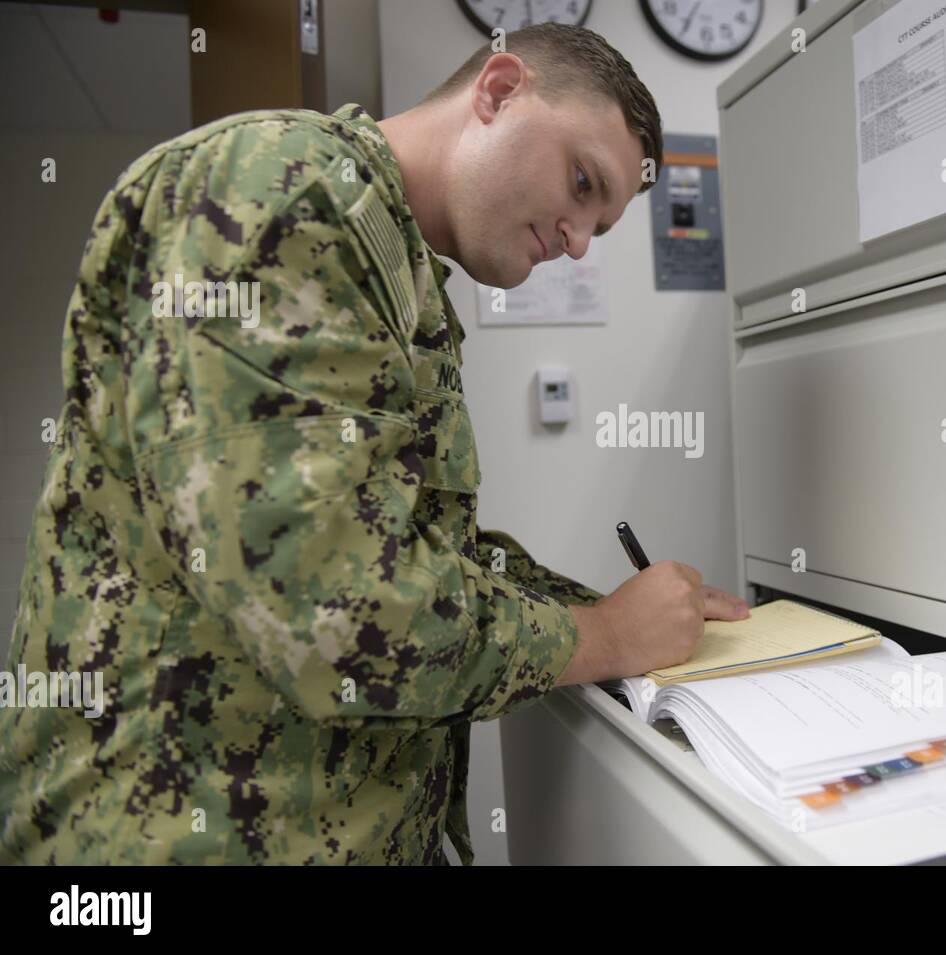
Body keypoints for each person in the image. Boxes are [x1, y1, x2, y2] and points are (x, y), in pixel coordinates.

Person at [0, 23, 748, 865]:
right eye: (582, 183)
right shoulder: (278, 190)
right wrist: (604, 635)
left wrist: (629, 612)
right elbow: (336, 610)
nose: (577, 241)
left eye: (598, 228)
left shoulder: (394, 266)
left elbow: (420, 549)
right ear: (498, 90)